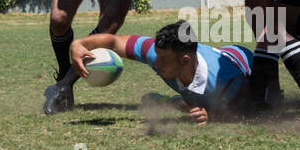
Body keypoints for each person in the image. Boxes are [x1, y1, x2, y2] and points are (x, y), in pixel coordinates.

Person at [69, 21, 254, 123]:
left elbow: (248, 112)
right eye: (156, 56)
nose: (156, 63)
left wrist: (212, 116)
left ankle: (168, 102)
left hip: (246, 64)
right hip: (209, 66)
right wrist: (79, 44)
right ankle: (174, 101)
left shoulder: (228, 82)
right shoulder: (158, 53)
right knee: (193, 106)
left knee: (198, 107)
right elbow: (114, 42)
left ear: (184, 60)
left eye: (163, 60)